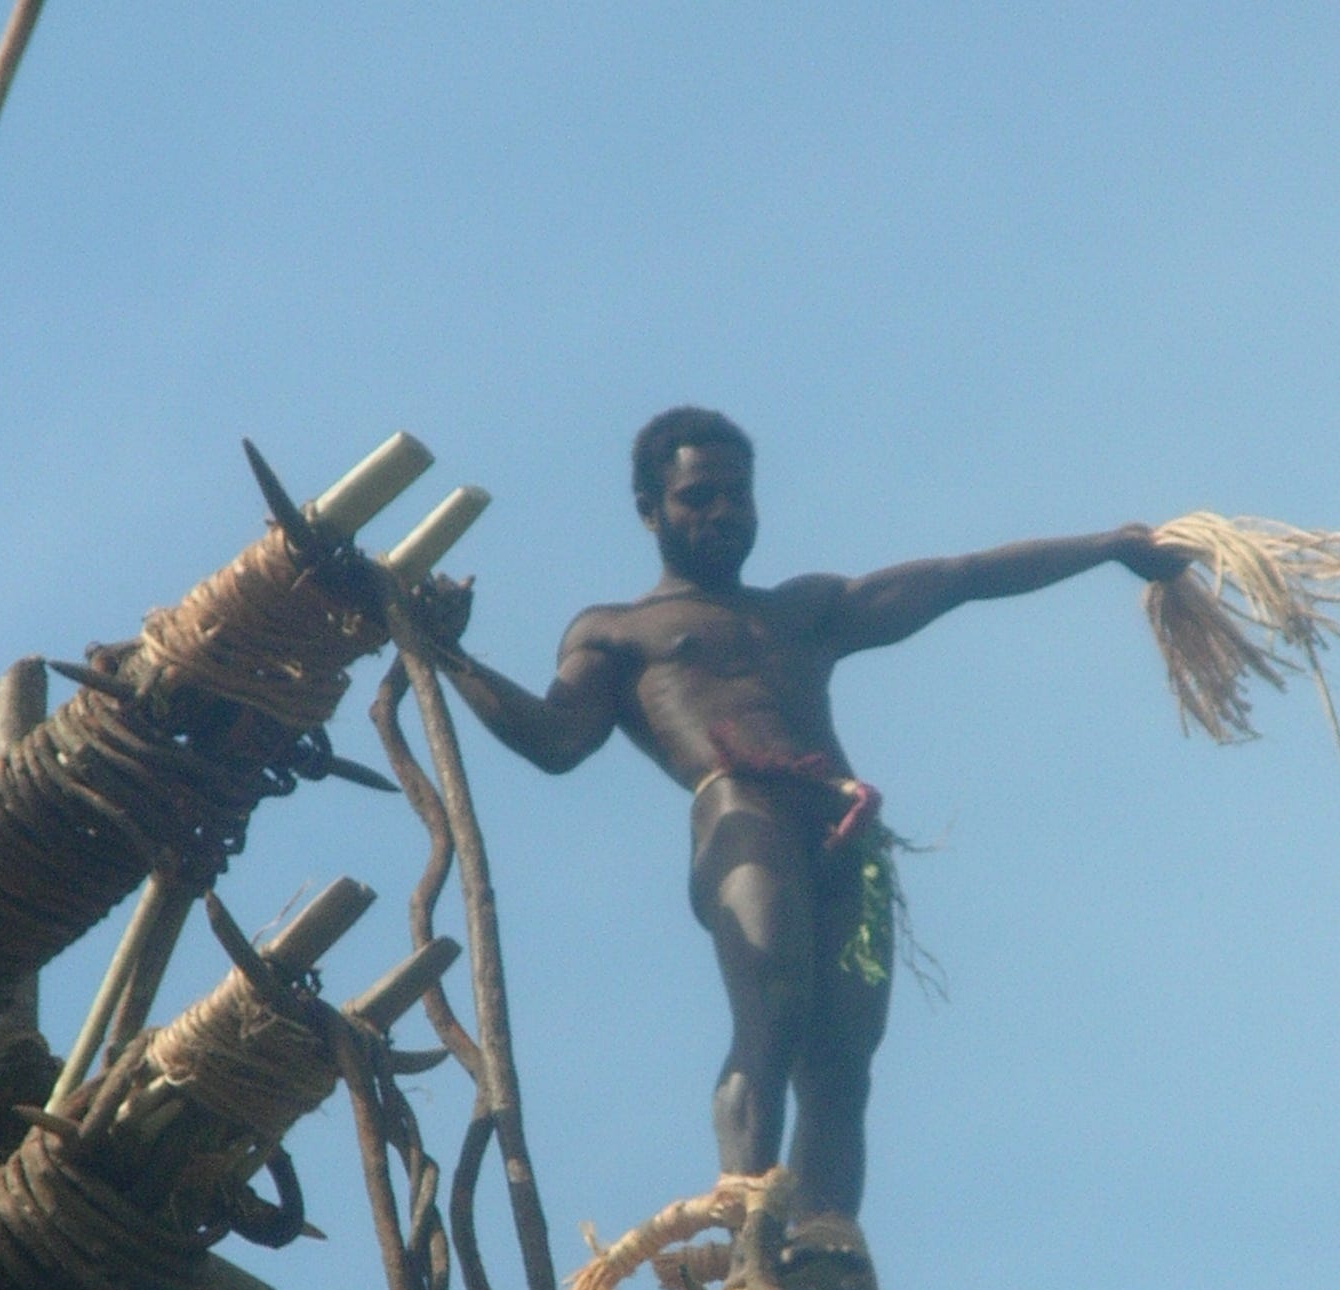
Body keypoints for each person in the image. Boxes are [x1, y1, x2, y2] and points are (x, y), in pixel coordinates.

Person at [411, 407, 1190, 1218]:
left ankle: (824, 1250)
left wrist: (1107, 547)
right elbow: (555, 739)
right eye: (697, 496)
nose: (722, 512)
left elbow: (963, 575)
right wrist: (450, 655)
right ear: (650, 511)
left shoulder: (804, 611)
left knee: (845, 1059)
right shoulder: (619, 631)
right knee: (773, 1015)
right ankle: (749, 1220)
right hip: (741, 815)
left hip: (846, 832)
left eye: (737, 495)